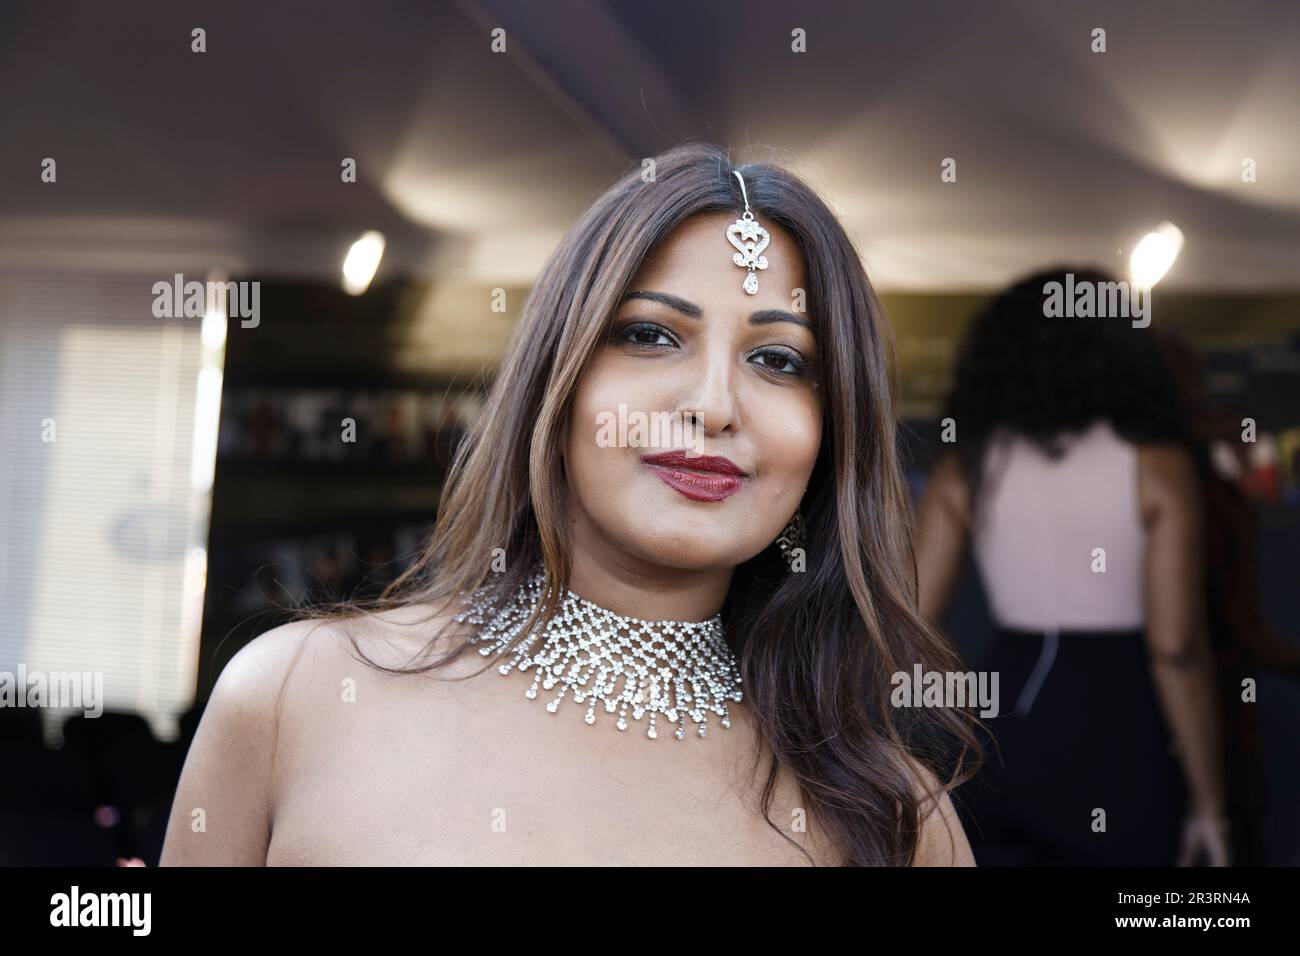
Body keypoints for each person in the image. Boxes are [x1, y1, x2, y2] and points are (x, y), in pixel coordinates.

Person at [160, 142, 981, 867]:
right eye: (651, 335)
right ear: (557, 383)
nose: (714, 405)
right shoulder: (291, 699)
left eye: (777, 358)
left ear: (830, 435)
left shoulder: (894, 818)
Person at [915, 268, 1230, 866]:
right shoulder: (1158, 465)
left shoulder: (968, 466)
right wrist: (1210, 801)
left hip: (999, 727)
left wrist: (957, 715)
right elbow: (1178, 648)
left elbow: (907, 622)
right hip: (1122, 729)